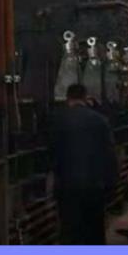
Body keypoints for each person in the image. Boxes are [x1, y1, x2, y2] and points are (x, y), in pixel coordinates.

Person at [50, 83, 118, 245]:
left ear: (68, 98)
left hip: (67, 186)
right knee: (94, 229)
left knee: (70, 229)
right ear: (85, 97)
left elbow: (52, 153)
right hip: (94, 185)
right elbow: (110, 155)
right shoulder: (100, 120)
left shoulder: (57, 120)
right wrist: (111, 185)